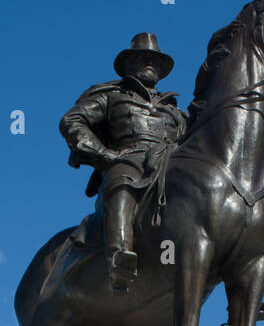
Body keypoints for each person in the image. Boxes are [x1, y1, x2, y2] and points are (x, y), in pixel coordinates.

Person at [59, 34, 186, 293]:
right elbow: (72, 121)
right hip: (128, 159)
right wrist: (104, 154)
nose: (149, 64)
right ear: (128, 64)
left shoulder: (175, 109)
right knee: (123, 178)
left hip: (170, 164)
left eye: (155, 61)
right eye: (142, 58)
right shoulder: (110, 96)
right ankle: (119, 258)